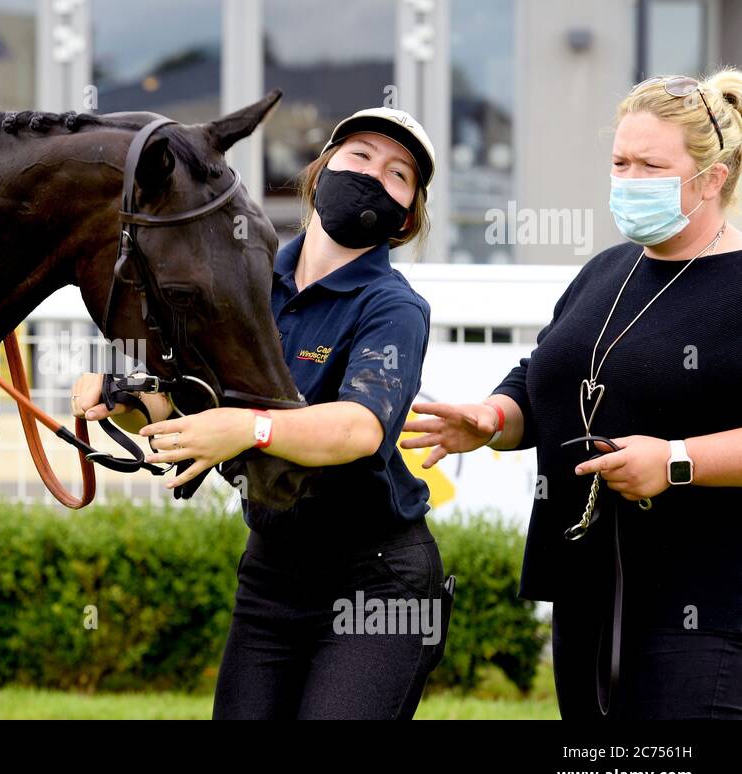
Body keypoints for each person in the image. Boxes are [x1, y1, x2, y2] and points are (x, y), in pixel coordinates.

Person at [73, 108, 449, 719]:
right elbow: (196, 405)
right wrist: (125, 397)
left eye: (398, 172)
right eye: (359, 156)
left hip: (378, 581)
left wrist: (250, 428)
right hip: (271, 576)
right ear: (321, 169)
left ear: (407, 215)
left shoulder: (394, 306)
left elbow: (360, 427)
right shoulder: (248, 283)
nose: (374, 176)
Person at [401, 69, 742, 719]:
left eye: (651, 165)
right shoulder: (607, 270)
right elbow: (546, 375)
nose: (629, 178)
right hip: (586, 596)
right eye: (620, 161)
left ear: (712, 179)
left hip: (702, 613)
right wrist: (493, 417)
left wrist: (675, 462)